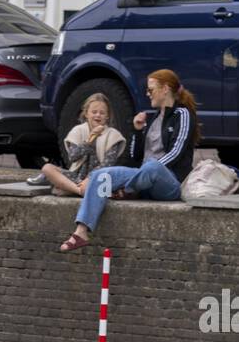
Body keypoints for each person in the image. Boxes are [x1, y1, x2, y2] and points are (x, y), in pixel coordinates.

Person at [58, 69, 198, 252]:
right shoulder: (154, 118)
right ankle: (81, 232)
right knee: (101, 175)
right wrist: (137, 131)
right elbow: (135, 157)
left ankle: (127, 190)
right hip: (143, 180)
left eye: (151, 90)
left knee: (152, 167)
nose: (148, 94)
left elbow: (176, 152)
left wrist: (145, 170)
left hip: (169, 182)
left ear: (165, 89)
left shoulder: (183, 115)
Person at [41, 94, 126, 198]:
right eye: (94, 112)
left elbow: (107, 165)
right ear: (86, 114)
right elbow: (72, 157)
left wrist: (89, 178)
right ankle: (79, 191)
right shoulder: (78, 131)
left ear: (107, 116)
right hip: (77, 176)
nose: (98, 115)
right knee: (47, 168)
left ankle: (71, 189)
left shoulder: (113, 135)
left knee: (58, 191)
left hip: (99, 178)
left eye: (102, 113)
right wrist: (89, 140)